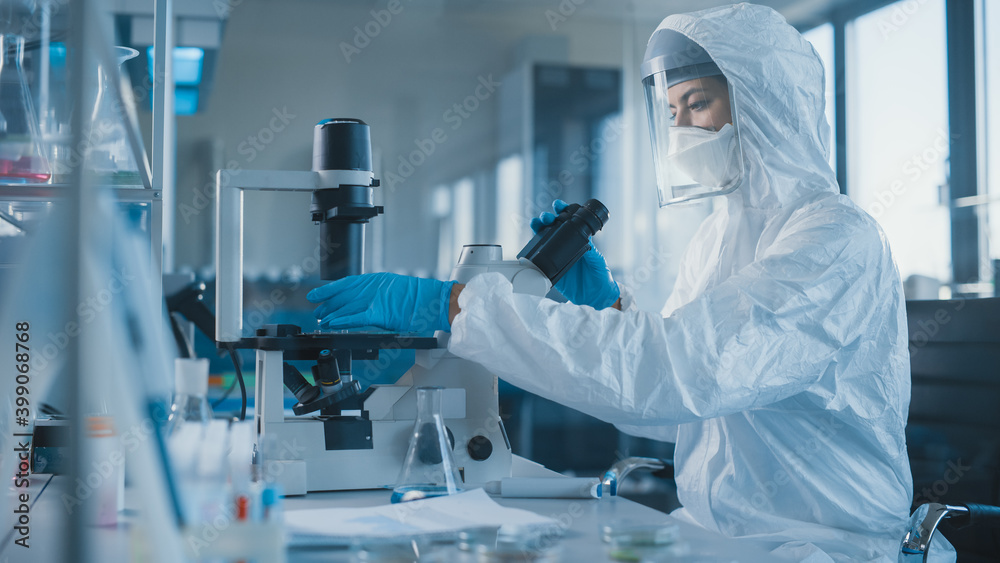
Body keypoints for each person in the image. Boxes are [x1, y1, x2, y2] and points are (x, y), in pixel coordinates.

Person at [308, 4, 951, 561]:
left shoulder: (836, 241)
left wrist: (455, 306)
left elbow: (681, 375)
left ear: (766, 103)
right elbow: (683, 412)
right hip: (713, 536)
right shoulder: (717, 238)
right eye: (671, 110)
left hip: (822, 548)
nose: (681, 128)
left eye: (698, 103)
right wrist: (612, 309)